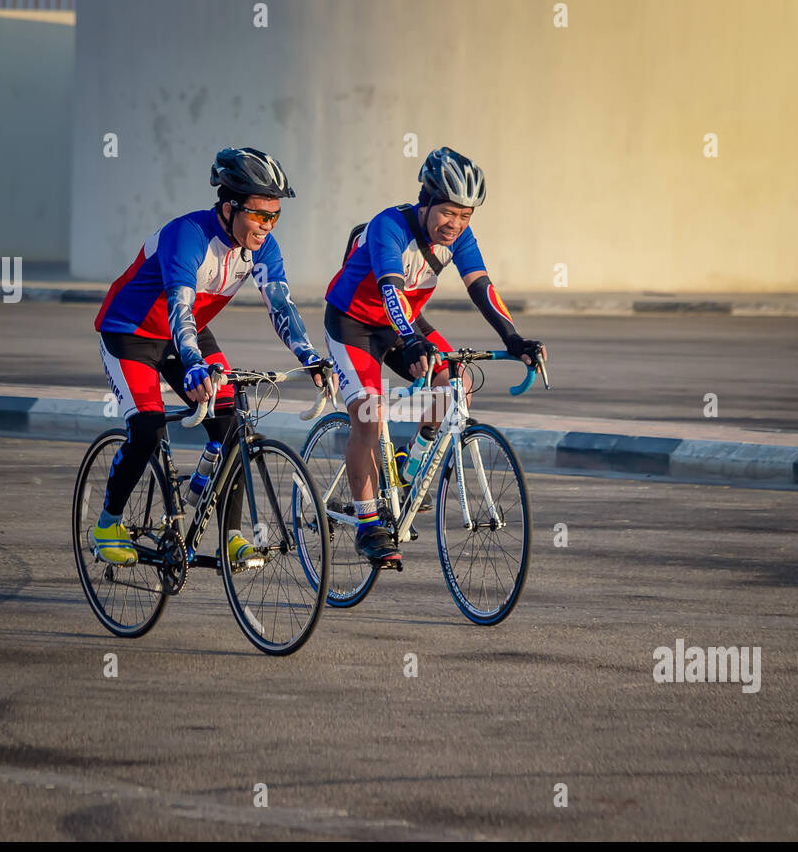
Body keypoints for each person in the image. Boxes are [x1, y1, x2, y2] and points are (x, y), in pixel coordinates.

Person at [90, 147, 329, 567]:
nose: (267, 226)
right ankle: (108, 524)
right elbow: (178, 310)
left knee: (230, 424)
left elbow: (281, 307)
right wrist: (196, 365)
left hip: (187, 334)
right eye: (259, 215)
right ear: (228, 206)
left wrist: (310, 357)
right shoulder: (189, 235)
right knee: (146, 429)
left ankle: (228, 532)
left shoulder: (262, 247)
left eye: (274, 216)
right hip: (131, 333)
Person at [323, 146, 547, 565]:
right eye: (448, 212)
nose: (455, 224)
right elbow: (390, 285)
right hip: (352, 322)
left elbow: (480, 285)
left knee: (455, 389)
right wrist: (407, 339)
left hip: (403, 319)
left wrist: (513, 337)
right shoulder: (388, 226)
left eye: (465, 216)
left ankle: (409, 469)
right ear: (425, 201)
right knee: (369, 415)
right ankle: (370, 526)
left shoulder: (459, 236)